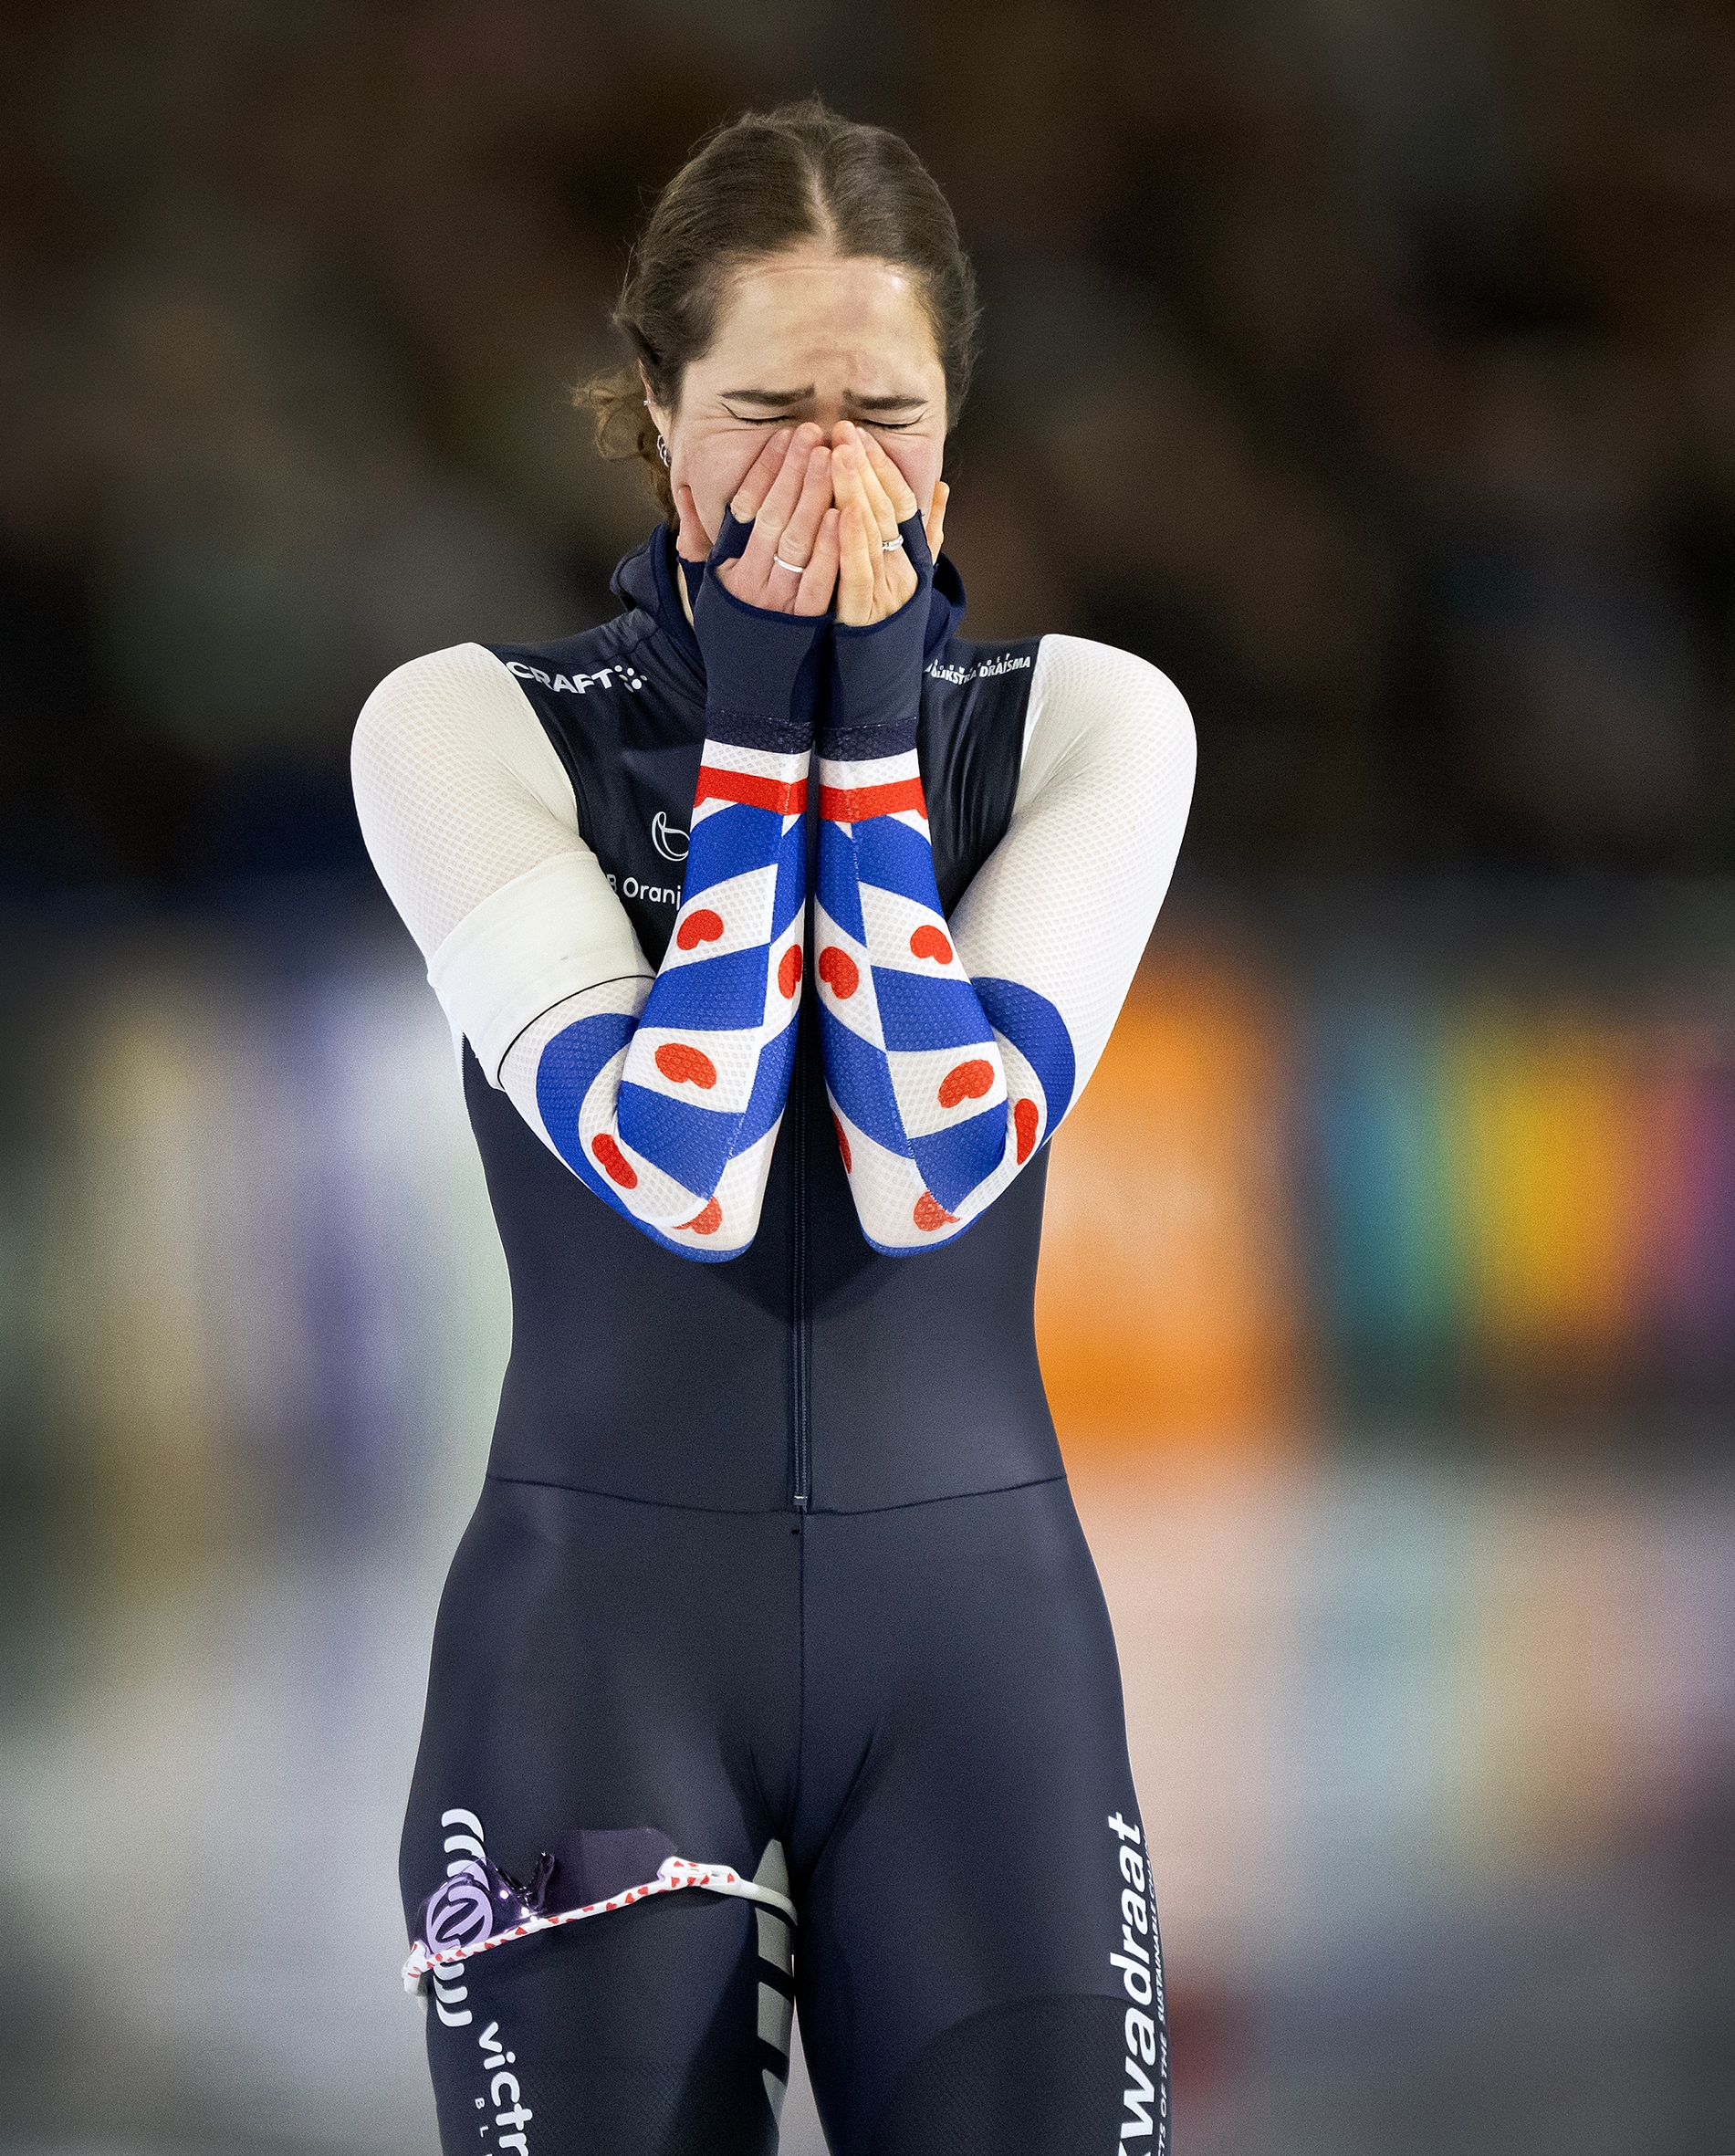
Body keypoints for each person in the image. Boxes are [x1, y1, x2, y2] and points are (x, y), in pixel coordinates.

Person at [352, 99, 1194, 2156]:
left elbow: (934, 1155)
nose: (831, 471)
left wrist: (870, 728)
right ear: (654, 410)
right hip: (602, 1657)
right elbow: (685, 1157)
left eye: (883, 410)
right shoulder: (464, 727)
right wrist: (762, 730)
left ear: (957, 424)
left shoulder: (1088, 718)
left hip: (973, 1650)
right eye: (767, 406)